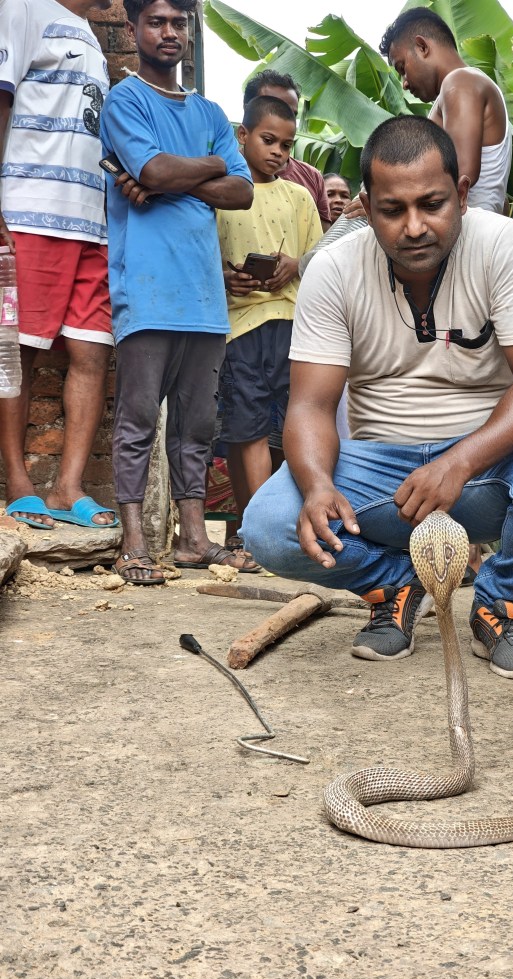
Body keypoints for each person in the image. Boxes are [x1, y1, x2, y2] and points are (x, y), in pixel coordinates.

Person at [241, 116, 513, 680]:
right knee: (269, 524)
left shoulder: (503, 244)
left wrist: (458, 461)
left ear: (461, 194)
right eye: (393, 210)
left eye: (432, 204)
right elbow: (310, 406)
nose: (414, 227)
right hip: (384, 479)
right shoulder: (334, 269)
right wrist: (317, 487)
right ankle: (392, 584)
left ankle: (503, 605)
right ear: (367, 205)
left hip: (489, 470)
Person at [100, 0, 255, 584]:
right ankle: (134, 542)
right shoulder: (126, 100)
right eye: (157, 21)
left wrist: (169, 178)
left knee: (196, 426)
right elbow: (157, 173)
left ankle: (193, 539)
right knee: (138, 418)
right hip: (148, 288)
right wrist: (208, 166)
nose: (170, 32)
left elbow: (241, 193)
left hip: (204, 296)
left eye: (179, 22)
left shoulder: (210, 110)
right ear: (135, 27)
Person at [0, 0, 117, 530]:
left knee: (92, 351)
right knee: (19, 351)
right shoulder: (21, 8)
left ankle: (68, 488)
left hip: (92, 220)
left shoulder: (90, 35)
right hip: (31, 209)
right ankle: (19, 483)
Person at [217, 95, 322, 534]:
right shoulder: (220, 194)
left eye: (286, 144)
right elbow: (204, 258)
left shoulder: (299, 197)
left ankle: (284, 524)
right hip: (240, 328)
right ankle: (259, 531)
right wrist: (227, 277)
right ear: (242, 136)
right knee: (248, 430)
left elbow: (321, 255)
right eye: (268, 140)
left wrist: (295, 265)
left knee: (295, 426)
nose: (278, 151)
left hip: (293, 327)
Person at [380, 8, 512, 215]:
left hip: (464, 232)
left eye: (402, 68)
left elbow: (460, 174)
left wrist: (384, 200)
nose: (404, 83)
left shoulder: (460, 82)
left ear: (422, 46)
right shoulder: (459, 87)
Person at [243, 71, 332, 230]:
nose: (283, 117)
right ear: (247, 109)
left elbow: (320, 245)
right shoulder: (222, 172)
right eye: (274, 108)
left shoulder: (311, 178)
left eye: (292, 113)